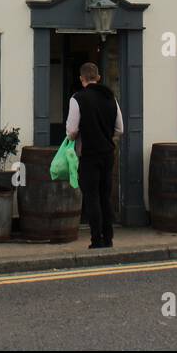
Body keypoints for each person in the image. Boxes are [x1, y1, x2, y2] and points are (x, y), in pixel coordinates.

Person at [66, 62, 124, 249]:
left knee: (91, 197)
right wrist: (106, 135)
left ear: (82, 79)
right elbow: (120, 129)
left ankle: (96, 239)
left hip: (89, 154)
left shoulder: (77, 98)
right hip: (108, 154)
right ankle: (108, 238)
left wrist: (78, 135)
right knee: (105, 196)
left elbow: (71, 131)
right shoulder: (110, 97)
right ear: (98, 78)